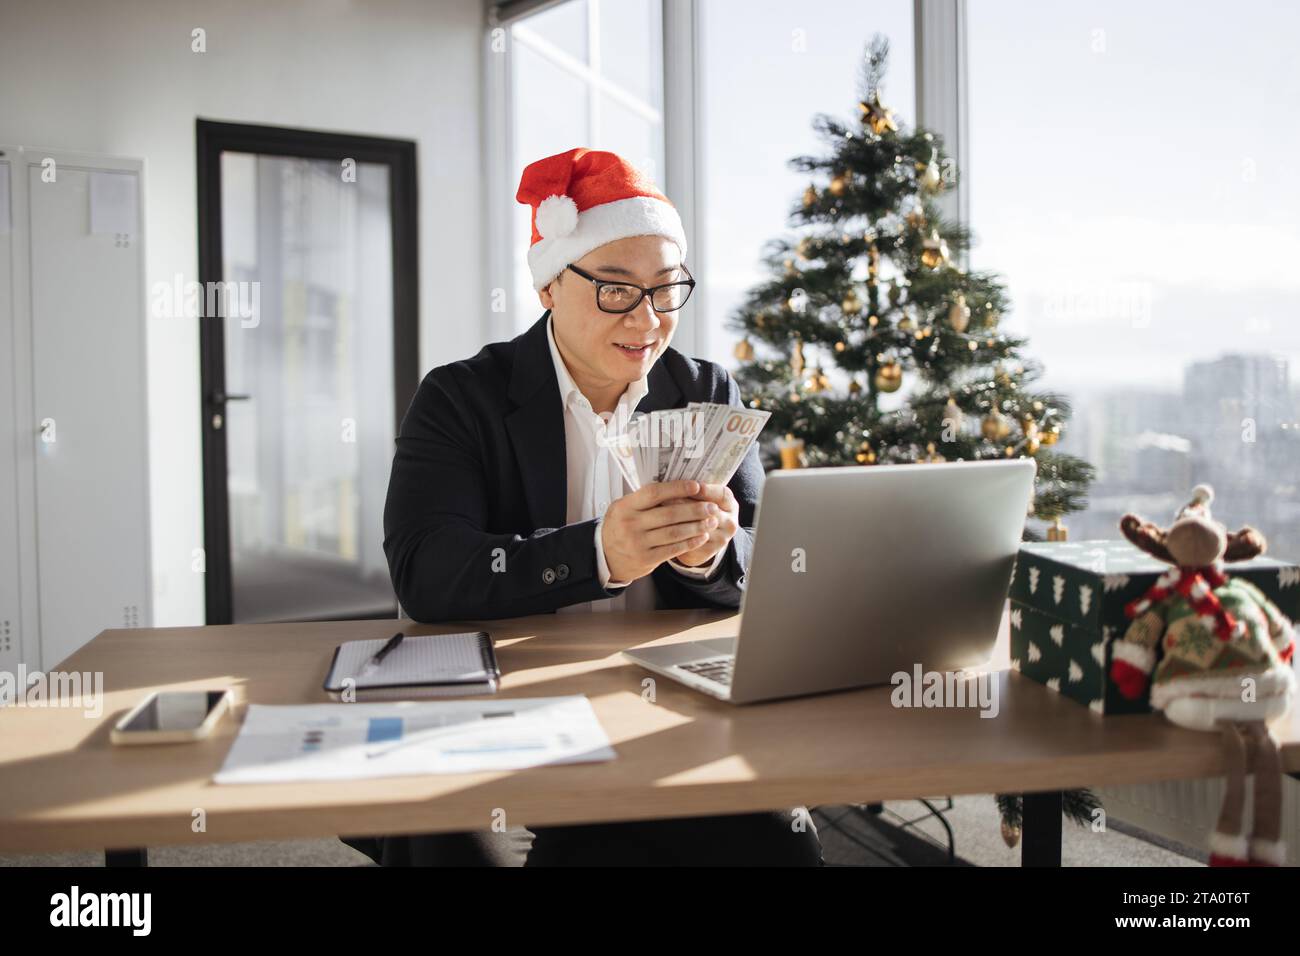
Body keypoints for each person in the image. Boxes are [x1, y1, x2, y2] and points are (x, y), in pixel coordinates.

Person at [341, 147, 821, 866]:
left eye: (666, 290)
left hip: (657, 701)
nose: (649, 320)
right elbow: (427, 573)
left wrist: (710, 555)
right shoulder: (460, 398)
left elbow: (766, 562)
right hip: (501, 702)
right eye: (617, 289)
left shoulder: (706, 390)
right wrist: (598, 554)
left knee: (782, 842)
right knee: (448, 846)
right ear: (548, 289)